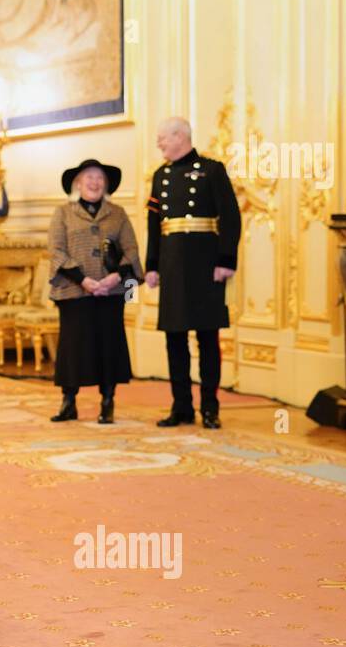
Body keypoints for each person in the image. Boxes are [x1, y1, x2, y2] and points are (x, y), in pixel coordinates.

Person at [144, 117, 242, 428]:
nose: (159, 143)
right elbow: (153, 225)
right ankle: (181, 406)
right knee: (174, 338)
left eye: (162, 137)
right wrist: (152, 265)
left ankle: (210, 408)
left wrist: (226, 260)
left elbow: (230, 217)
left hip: (205, 264)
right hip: (172, 264)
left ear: (179, 136)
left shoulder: (212, 170)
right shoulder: (160, 177)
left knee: (207, 338)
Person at [47, 159, 141, 424]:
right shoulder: (63, 213)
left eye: (99, 177)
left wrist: (114, 278)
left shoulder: (118, 214)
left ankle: (108, 401)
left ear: (107, 184)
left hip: (111, 293)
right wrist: (83, 280)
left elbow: (132, 250)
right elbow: (55, 250)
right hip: (74, 292)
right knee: (73, 348)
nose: (94, 182)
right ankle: (69, 402)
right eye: (88, 177)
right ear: (77, 182)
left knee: (109, 347)